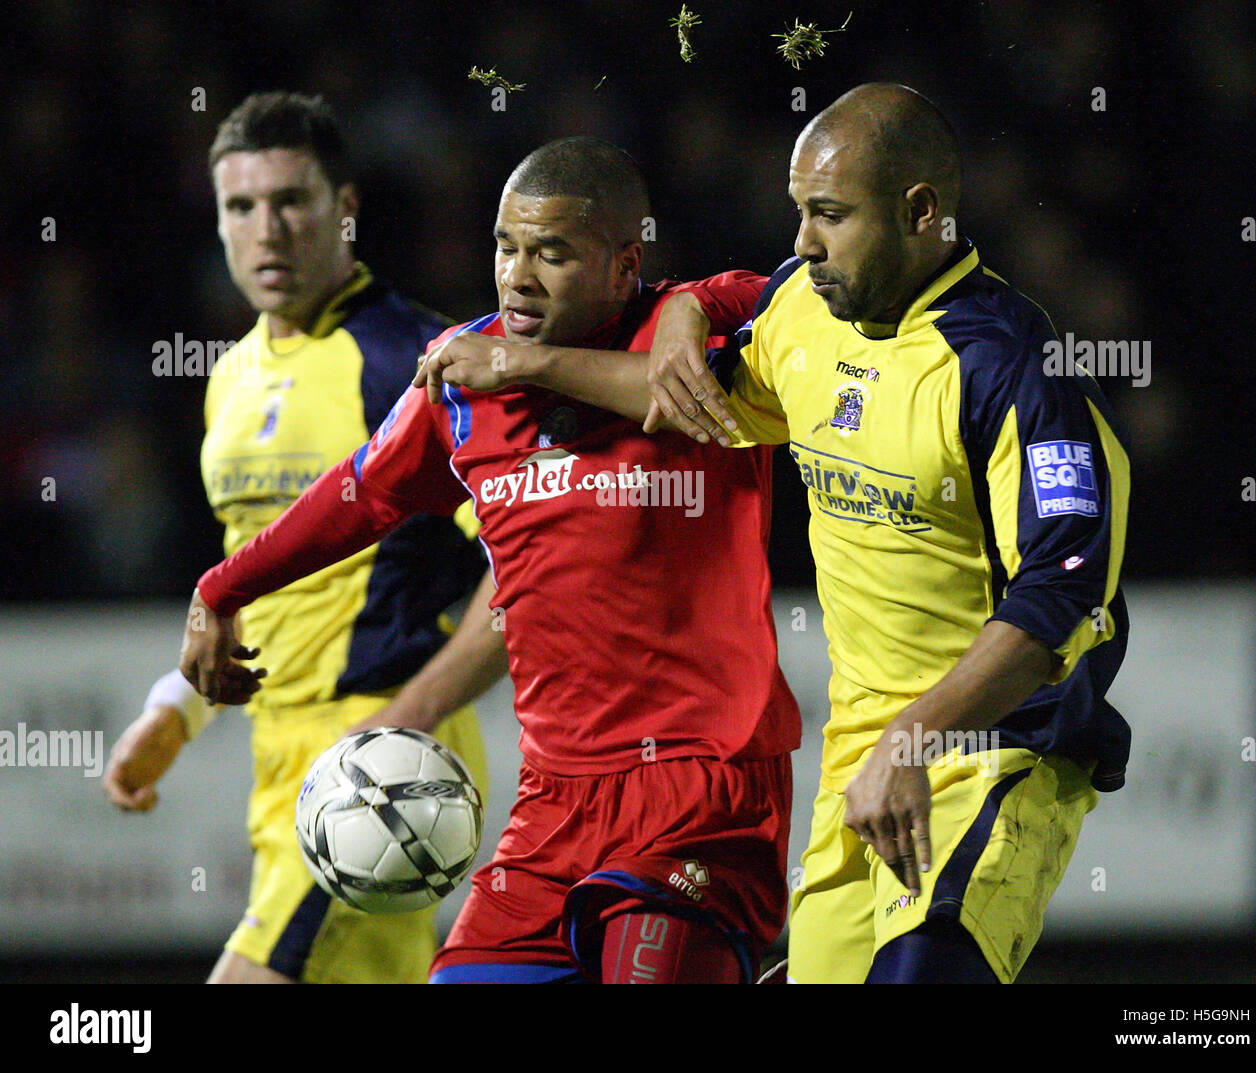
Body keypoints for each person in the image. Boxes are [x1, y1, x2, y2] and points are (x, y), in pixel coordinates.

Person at [431, 84, 1132, 984]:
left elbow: (1064, 593)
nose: (801, 243)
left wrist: (913, 736)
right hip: (863, 757)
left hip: (996, 746)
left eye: (829, 215)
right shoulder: (805, 308)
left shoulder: (1016, 372)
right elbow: (697, 395)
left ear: (921, 212)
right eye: (798, 212)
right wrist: (537, 357)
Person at [180, 136, 802, 984]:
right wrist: (223, 588)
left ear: (625, 265)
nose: (518, 275)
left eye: (553, 253)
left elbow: (795, 296)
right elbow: (358, 495)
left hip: (702, 781)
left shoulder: (684, 340)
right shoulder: (463, 380)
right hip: (554, 798)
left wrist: (688, 302)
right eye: (507, 247)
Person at [102, 92, 501, 984]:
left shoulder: (419, 362)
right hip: (280, 763)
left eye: (293, 200)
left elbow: (527, 565)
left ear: (346, 208)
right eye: (241, 207)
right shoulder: (232, 375)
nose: (267, 229)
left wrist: (414, 717)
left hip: (380, 764)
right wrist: (178, 706)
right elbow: (257, 586)